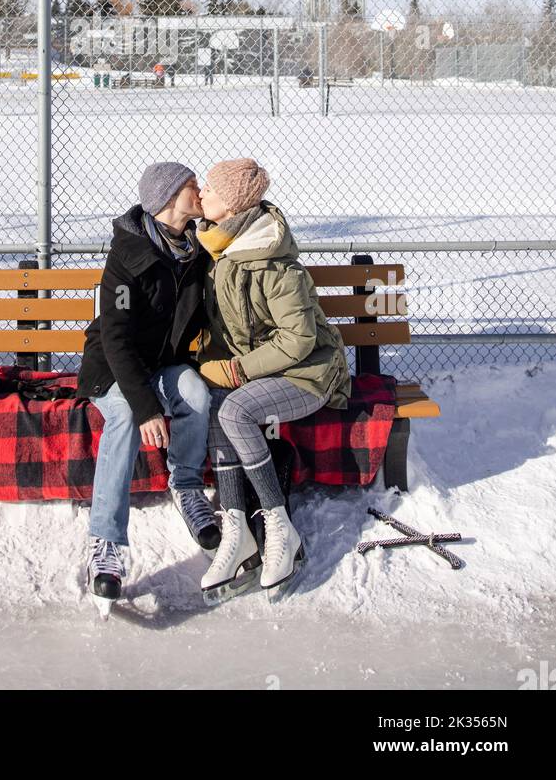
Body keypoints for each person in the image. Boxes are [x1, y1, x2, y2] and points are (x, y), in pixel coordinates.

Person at [194, 158, 351, 603]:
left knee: (235, 409)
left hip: (308, 374)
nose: (202, 193)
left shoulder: (275, 265)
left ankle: (280, 526)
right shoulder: (218, 250)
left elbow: (299, 340)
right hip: (262, 371)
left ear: (231, 203)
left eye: (210, 188)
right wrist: (213, 365)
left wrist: (239, 369)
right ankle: (237, 527)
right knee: (217, 397)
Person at [76, 161, 221, 608]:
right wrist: (145, 407)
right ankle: (106, 544)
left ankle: (187, 485)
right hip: (115, 369)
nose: (199, 190)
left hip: (165, 364)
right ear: (166, 199)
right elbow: (115, 338)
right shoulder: (127, 255)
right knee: (121, 418)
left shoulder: (196, 250)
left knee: (196, 393)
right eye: (191, 185)